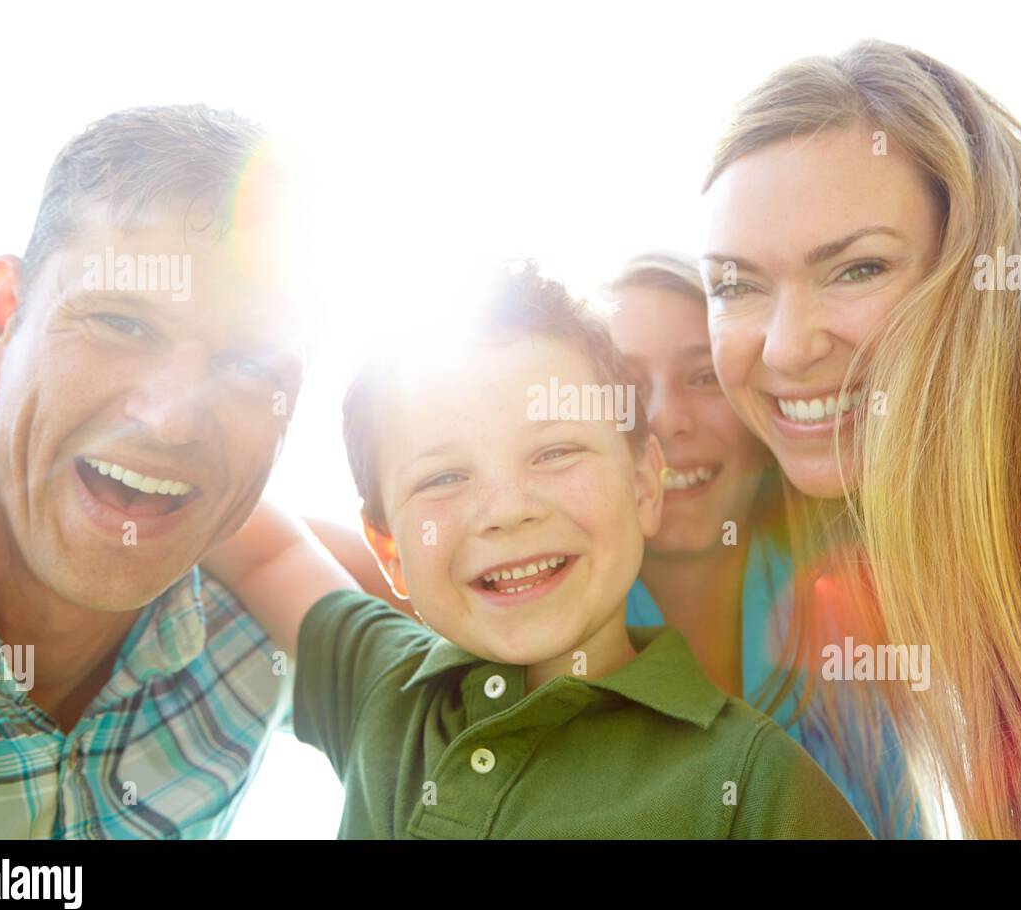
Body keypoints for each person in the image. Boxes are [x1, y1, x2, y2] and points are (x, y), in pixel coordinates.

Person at [698, 39, 1021, 838]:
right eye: (736, 284)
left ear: (974, 257)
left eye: (857, 269)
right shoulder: (899, 523)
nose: (783, 347)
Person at [201, 261, 872, 838]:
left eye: (553, 453)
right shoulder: (380, 681)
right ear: (390, 549)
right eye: (444, 478)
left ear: (645, 483)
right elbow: (272, 554)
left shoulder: (754, 783)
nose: (508, 509)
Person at [0, 104, 307, 838]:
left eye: (247, 363)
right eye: (121, 323)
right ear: (5, 313)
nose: (171, 419)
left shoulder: (264, 618)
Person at [606, 251, 919, 838]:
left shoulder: (857, 589)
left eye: (702, 378)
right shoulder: (551, 640)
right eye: (623, 389)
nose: (667, 420)